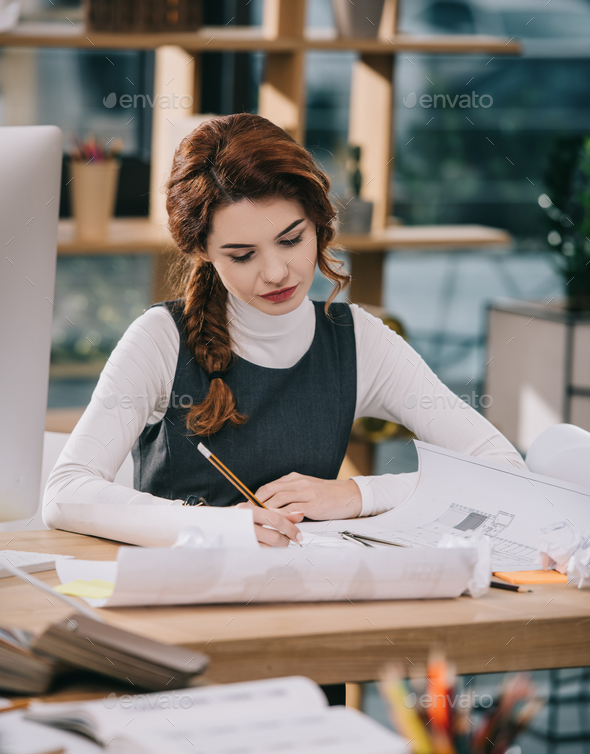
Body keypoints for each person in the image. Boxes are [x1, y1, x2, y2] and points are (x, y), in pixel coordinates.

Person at [43, 113, 526, 547]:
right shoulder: (160, 338)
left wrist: (359, 493)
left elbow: (504, 471)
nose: (276, 272)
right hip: (181, 597)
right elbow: (66, 492)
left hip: (307, 592)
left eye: (291, 239)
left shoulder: (359, 339)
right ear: (204, 252)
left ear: (318, 222)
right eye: (242, 254)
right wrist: (217, 526)